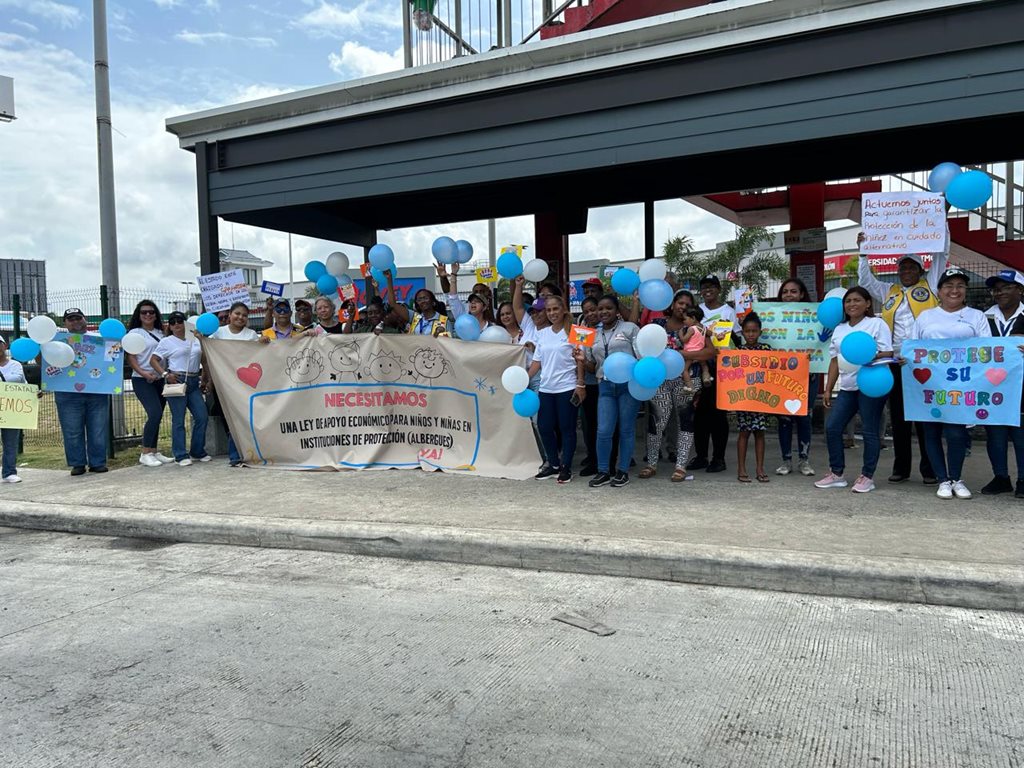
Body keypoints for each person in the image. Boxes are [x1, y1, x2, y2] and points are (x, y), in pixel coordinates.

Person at [857, 230, 948, 485]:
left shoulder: (930, 286)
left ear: (921, 270)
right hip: (896, 362)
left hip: (925, 362)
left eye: (912, 267)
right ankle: (902, 468)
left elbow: (942, 255)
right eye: (903, 267)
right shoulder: (889, 290)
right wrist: (863, 252)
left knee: (925, 417)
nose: (906, 270)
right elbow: (866, 279)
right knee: (899, 417)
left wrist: (941, 226)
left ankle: (929, 469)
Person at [907, 268, 992, 500]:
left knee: (956, 434)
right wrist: (906, 357)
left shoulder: (977, 316)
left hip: (962, 385)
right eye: (949, 286)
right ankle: (942, 480)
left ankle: (956, 478)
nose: (954, 290)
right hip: (930, 385)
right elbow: (913, 345)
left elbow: (987, 350)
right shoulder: (925, 317)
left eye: (960, 286)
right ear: (939, 291)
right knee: (931, 432)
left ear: (965, 290)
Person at [814, 287, 893, 493]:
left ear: (868, 303)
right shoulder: (840, 329)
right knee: (832, 427)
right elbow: (834, 361)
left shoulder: (876, 323)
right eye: (848, 301)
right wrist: (828, 388)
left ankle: (867, 476)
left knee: (869, 430)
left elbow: (888, 351)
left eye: (857, 300)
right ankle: (837, 473)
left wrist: (868, 355)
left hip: (870, 384)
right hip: (848, 387)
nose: (852, 304)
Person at [641, 289, 710, 482]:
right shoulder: (657, 325)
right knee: (656, 421)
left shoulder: (698, 328)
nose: (683, 307)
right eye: (680, 303)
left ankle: (681, 466)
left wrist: (682, 356)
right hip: (661, 380)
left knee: (685, 422)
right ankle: (651, 463)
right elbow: (645, 349)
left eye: (688, 305)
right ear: (672, 305)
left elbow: (711, 352)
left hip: (688, 379)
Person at [582, 295, 640, 488]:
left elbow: (641, 358)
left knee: (625, 430)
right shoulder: (592, 335)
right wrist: (581, 359)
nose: (603, 312)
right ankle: (603, 471)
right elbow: (592, 368)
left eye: (608, 308)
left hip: (627, 385)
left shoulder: (630, 328)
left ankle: (622, 471)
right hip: (604, 385)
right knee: (604, 430)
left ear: (617, 310)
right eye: (600, 308)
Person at [527, 295, 586, 484]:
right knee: (544, 427)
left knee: (567, 428)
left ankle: (566, 467)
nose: (552, 313)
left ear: (563, 309)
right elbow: (537, 361)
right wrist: (524, 378)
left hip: (567, 387)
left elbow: (581, 359)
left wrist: (580, 384)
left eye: (555, 309)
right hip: (546, 388)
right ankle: (553, 464)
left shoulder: (578, 331)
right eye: (549, 310)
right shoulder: (542, 333)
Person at [687, 274, 736, 473]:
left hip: (721, 368)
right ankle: (701, 456)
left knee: (718, 415)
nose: (708, 290)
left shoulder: (729, 311)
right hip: (698, 367)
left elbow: (737, 339)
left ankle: (718, 458)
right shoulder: (697, 311)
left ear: (718, 289)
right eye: (704, 287)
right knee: (698, 415)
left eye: (712, 286)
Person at [982, 269, 1024, 496]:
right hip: (993, 385)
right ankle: (1001, 477)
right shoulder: (984, 317)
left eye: (1006, 287)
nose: (1000, 292)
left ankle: (1023, 480)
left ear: (1020, 289)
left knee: (1021, 436)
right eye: (996, 289)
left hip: (1022, 386)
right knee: (995, 435)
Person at [54, 308, 109, 476]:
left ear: (85, 320)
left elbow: (112, 358)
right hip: (67, 392)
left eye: (78, 318)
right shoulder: (56, 343)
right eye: (71, 319)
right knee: (72, 430)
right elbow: (45, 363)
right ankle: (77, 464)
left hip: (97, 390)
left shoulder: (100, 340)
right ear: (65, 323)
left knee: (98, 428)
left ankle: (98, 462)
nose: (75, 321)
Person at [149, 311, 209, 467]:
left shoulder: (195, 338)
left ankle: (197, 450)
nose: (176, 324)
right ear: (169, 325)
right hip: (177, 379)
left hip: (194, 379)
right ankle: (180, 454)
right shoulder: (167, 342)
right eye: (172, 321)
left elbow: (204, 359)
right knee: (178, 419)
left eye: (179, 321)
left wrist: (205, 379)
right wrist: (165, 374)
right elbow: (153, 360)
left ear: (185, 323)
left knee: (202, 416)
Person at [775, 278, 818, 476]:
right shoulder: (772, 317)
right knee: (784, 419)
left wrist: (823, 340)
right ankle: (785, 461)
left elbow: (823, 343)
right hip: (782, 376)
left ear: (802, 294)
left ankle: (804, 460)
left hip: (808, 375)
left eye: (793, 291)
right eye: (785, 292)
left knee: (804, 418)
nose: (789, 295)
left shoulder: (816, 317)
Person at [209, 302, 260, 466]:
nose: (240, 317)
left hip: (245, 384)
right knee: (231, 418)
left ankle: (247, 454)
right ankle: (235, 456)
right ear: (230, 314)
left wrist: (263, 341)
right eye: (237, 313)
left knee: (245, 418)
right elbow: (208, 350)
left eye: (244, 315)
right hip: (224, 383)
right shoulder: (217, 333)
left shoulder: (251, 335)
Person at [126, 300, 173, 468]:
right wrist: (143, 373)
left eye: (151, 312)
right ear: (138, 315)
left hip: (161, 379)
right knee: (154, 413)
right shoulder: (135, 332)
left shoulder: (162, 332)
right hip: (142, 379)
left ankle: (154, 450)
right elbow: (131, 357)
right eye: (144, 312)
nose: (148, 315)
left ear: (156, 314)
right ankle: (145, 452)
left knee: (159, 414)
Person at [734, 313, 772, 483]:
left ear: (760, 332)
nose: (750, 334)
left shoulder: (767, 350)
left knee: (759, 433)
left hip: (761, 399)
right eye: (747, 331)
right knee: (743, 433)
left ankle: (759, 468)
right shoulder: (738, 352)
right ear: (742, 333)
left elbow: (777, 369)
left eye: (754, 331)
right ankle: (741, 469)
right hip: (743, 399)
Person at [576, 296, 600, 476]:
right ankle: (593, 459)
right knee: (589, 425)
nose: (590, 314)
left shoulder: (609, 327)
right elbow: (579, 359)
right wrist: (581, 383)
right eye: (586, 311)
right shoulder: (583, 330)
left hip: (607, 383)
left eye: (593, 309)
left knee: (606, 425)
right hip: (589, 384)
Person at [0, 335, 27, 483]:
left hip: (11, 408)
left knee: (10, 441)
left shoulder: (16, 365)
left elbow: (23, 383)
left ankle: (9, 472)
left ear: (5, 346)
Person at [679, 307, 711, 391]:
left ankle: (690, 386)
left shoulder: (691, 329)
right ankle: (706, 378)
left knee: (685, 370)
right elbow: (710, 333)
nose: (683, 321)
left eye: (685, 319)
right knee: (704, 366)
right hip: (700, 352)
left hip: (690, 353)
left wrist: (680, 334)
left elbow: (684, 340)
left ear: (693, 318)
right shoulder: (704, 328)